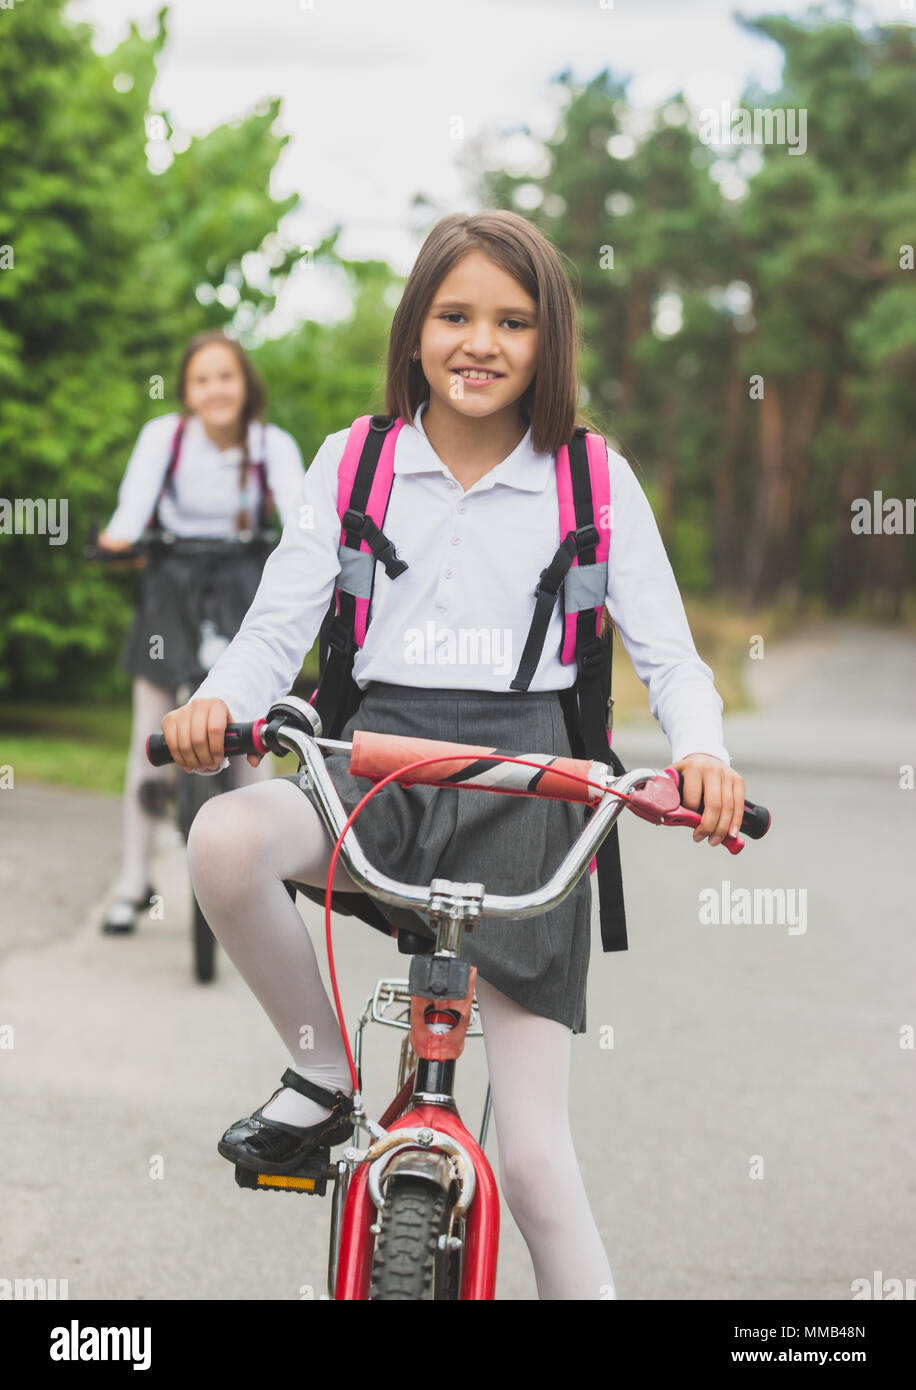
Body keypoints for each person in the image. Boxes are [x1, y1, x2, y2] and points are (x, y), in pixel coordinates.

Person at [159, 212, 745, 1300]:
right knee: (227, 837)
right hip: (370, 761)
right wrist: (216, 704)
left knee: (532, 1160)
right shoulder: (359, 458)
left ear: (548, 340)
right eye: (455, 314)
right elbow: (275, 631)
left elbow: (673, 660)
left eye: (512, 322)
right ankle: (323, 1070)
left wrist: (701, 754)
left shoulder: (590, 479)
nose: (481, 342)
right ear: (416, 329)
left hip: (531, 786)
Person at [97, 331, 306, 933]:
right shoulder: (164, 437)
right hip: (172, 581)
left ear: (246, 387)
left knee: (250, 738)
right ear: (187, 391)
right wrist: (119, 539)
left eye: (227, 377)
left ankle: (261, 877)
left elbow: (299, 519)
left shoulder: (273, 444)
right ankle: (135, 880)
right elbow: (132, 512)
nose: (216, 389)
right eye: (202, 379)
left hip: (244, 581)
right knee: (149, 733)